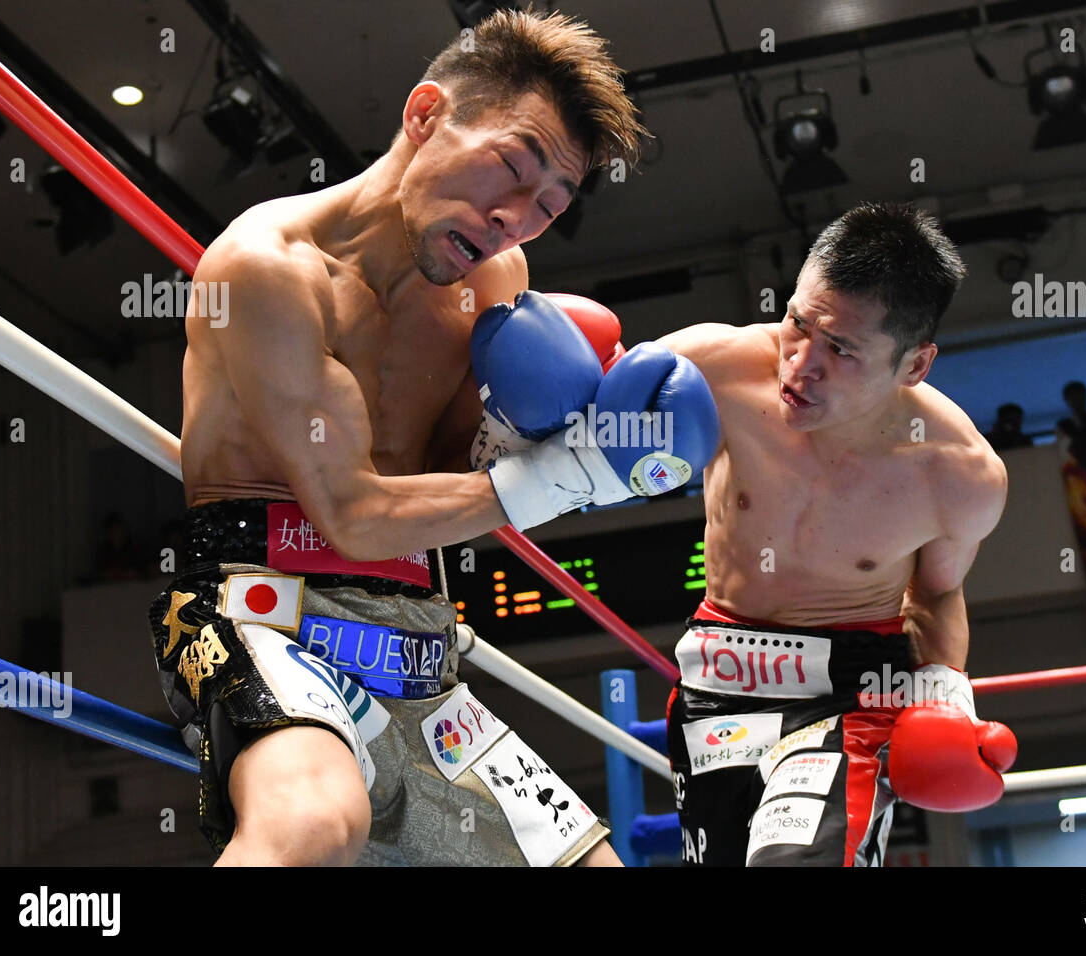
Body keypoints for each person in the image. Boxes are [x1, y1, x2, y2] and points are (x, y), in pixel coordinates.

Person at [148, 10, 718, 867]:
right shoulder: (267, 269)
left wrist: (530, 434)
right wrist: (571, 477)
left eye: (548, 206)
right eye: (511, 168)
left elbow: (461, 473)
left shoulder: (495, 278)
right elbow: (350, 511)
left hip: (420, 638)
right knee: (311, 827)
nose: (514, 219)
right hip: (262, 605)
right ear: (425, 116)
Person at [659, 202, 1013, 867]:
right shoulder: (712, 367)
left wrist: (945, 686)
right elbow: (575, 428)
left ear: (914, 365)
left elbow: (936, 592)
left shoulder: (956, 473)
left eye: (841, 349)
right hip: (719, 673)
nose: (801, 363)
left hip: (851, 688)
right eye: (798, 323)